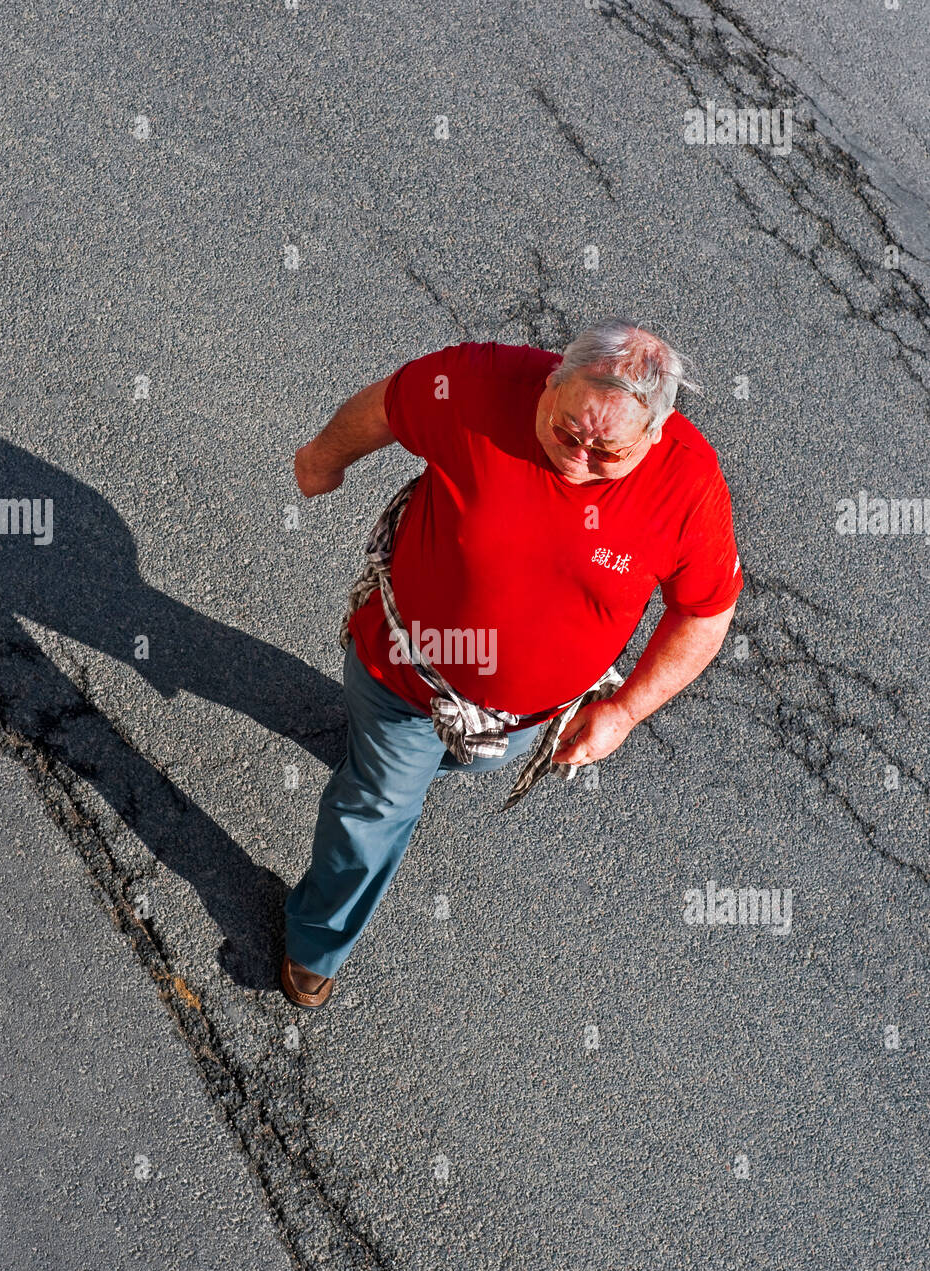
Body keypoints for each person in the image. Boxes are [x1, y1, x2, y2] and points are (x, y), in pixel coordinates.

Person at [281, 319, 742, 1009]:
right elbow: (385, 407)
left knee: (461, 764)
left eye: (606, 452)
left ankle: (384, 764)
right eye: (566, 433)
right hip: (405, 676)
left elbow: (704, 612)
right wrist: (323, 458)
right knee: (377, 806)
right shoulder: (475, 384)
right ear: (552, 381)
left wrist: (622, 710)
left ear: (655, 433)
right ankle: (315, 945)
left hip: (526, 719)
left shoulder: (688, 484)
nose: (579, 461)